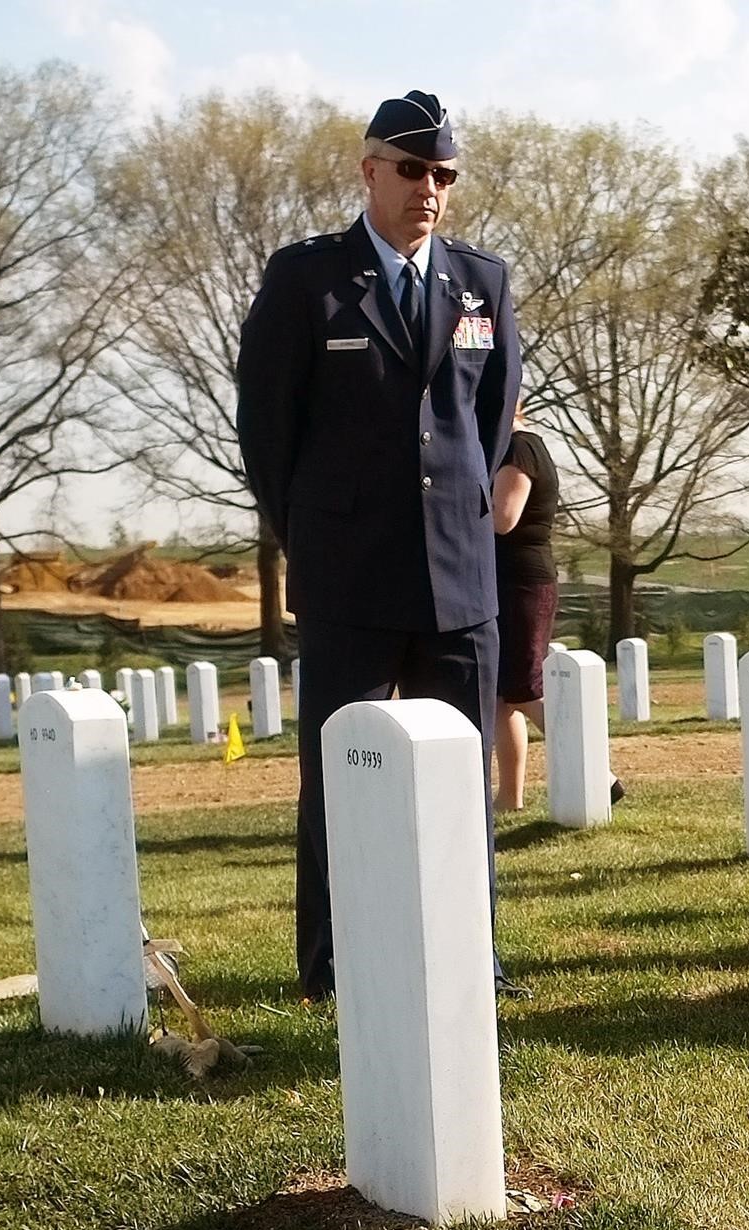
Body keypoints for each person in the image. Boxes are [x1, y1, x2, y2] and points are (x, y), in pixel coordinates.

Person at [237, 89, 519, 1001]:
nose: (428, 189)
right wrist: (313, 536)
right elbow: (269, 432)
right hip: (350, 572)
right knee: (340, 781)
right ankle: (330, 965)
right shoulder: (308, 279)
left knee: (459, 781)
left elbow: (490, 418)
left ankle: (471, 957)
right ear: (369, 172)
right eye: (411, 171)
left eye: (443, 174)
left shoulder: (483, 282)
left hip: (458, 579)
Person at [489, 403, 560, 813]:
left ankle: (598, 774)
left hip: (522, 582)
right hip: (506, 581)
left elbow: (503, 518)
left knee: (524, 685)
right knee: (503, 695)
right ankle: (509, 798)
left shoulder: (520, 448)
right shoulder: (514, 447)